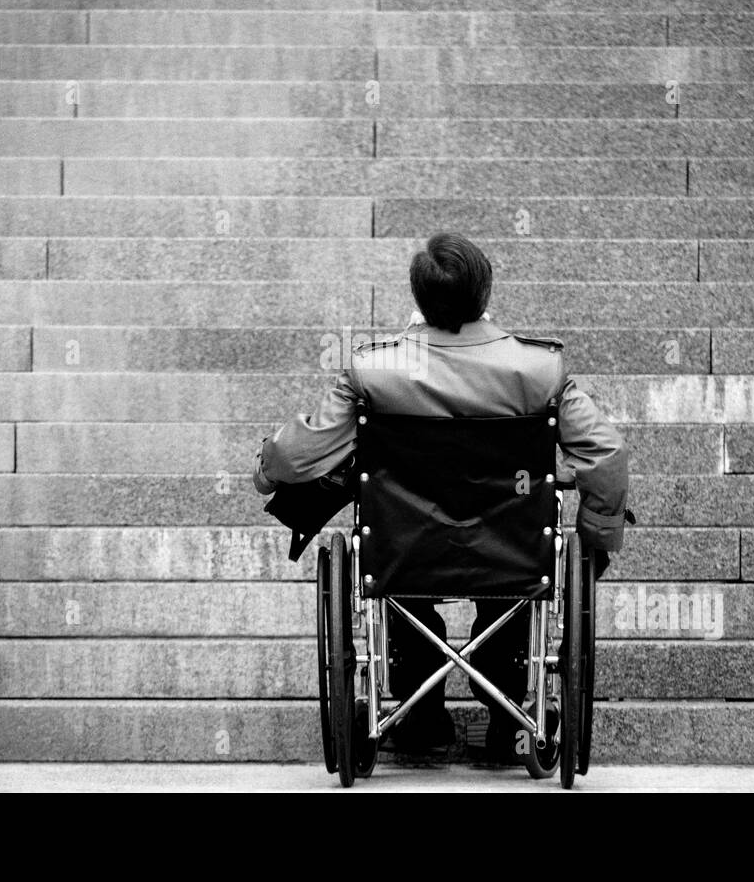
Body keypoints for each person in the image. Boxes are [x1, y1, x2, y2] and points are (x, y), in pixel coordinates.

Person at [253, 233, 628, 758]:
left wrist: (265, 472)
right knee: (518, 577)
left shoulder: (375, 371)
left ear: (419, 300)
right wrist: (597, 540)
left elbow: (297, 457)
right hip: (512, 548)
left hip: (407, 549)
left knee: (400, 573)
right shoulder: (539, 370)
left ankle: (419, 717)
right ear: (485, 292)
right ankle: (508, 719)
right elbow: (606, 456)